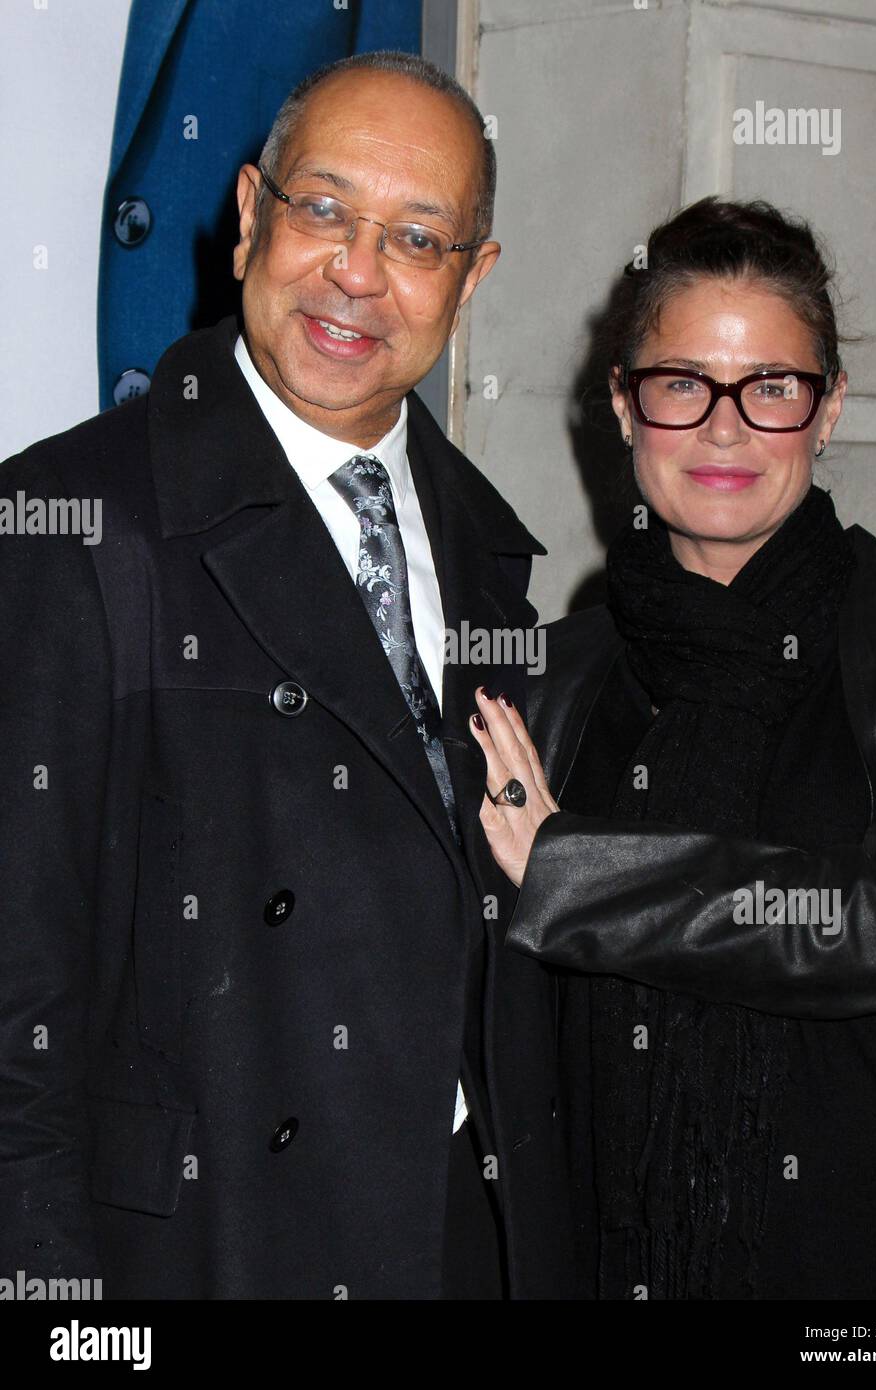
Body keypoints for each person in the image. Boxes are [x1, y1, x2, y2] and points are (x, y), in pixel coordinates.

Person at [0, 52, 573, 1300]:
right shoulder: (68, 520)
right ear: (250, 213)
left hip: (458, 1247)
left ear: (470, 277)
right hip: (210, 1256)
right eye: (323, 209)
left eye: (416, 238)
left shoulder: (493, 551)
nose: (356, 273)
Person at [469, 197, 876, 1300]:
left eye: (772, 388)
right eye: (680, 384)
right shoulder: (553, 677)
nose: (724, 427)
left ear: (828, 407)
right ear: (621, 404)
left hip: (869, 1265)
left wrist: (578, 872)